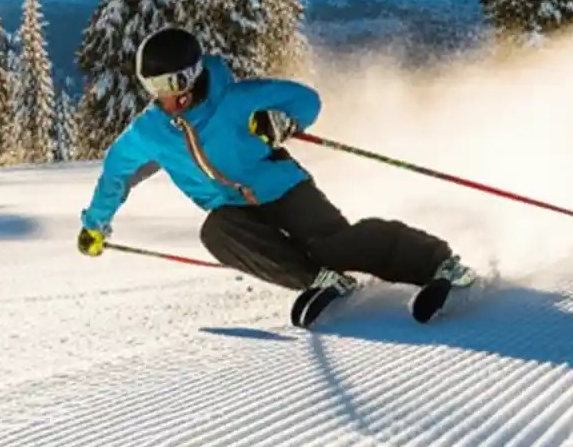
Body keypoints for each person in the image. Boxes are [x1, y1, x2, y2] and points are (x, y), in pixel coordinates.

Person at [76, 26, 477, 325]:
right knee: (216, 232)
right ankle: (320, 280)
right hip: (234, 209)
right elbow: (116, 173)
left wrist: (281, 121)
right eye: (155, 87)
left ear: (195, 73)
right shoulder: (150, 131)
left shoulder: (237, 99)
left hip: (285, 188)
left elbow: (307, 100)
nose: (168, 97)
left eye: (175, 83)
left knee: (334, 245)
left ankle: (438, 262)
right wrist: (95, 224)